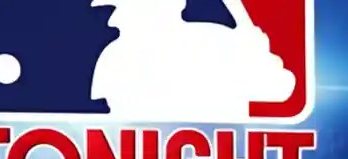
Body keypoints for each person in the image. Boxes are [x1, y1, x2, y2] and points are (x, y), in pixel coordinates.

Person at [90, 0, 295, 122]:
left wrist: (259, 55)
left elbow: (277, 90)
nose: (115, 19)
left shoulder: (221, 42)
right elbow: (111, 119)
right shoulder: (117, 56)